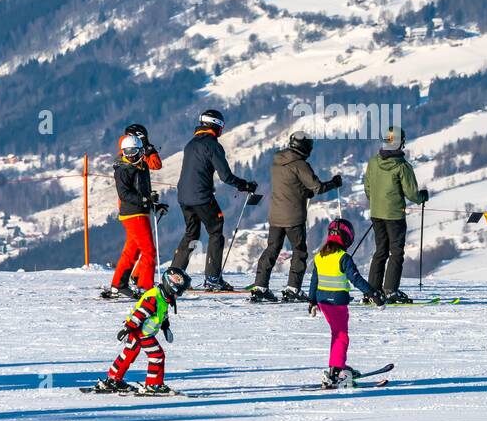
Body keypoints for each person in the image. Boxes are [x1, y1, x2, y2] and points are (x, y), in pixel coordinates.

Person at [170, 110, 257, 291]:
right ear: (216, 126)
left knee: (191, 234)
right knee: (216, 230)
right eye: (221, 127)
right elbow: (225, 176)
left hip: (184, 197)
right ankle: (212, 278)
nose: (222, 131)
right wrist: (244, 185)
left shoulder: (191, 144)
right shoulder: (212, 145)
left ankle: (174, 276)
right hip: (201, 196)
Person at [251, 131, 343, 303]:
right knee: (299, 251)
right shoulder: (300, 165)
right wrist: (334, 183)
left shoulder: (277, 162)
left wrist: (304, 191)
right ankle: (293, 289)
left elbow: (290, 185)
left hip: (275, 215)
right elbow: (318, 187)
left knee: (271, 250)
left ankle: (260, 287)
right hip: (293, 216)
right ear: (306, 147)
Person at [306, 219, 385, 387]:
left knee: (336, 334)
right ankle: (335, 373)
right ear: (347, 238)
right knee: (341, 336)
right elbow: (356, 279)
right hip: (337, 302)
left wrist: (311, 301)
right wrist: (373, 294)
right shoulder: (343, 257)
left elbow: (314, 280)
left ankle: (338, 365)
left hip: (322, 302)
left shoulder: (319, 256)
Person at [94, 267, 190, 395]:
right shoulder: (153, 297)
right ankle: (153, 384)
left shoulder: (163, 297)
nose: (179, 296)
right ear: (171, 286)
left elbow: (162, 313)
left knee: (129, 353)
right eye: (180, 292)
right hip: (141, 331)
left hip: (139, 330)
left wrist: (165, 326)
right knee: (157, 355)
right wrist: (127, 328)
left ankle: (113, 379)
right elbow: (140, 314)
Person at [363, 126, 427, 303]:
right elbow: (412, 194)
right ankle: (390, 290)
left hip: (376, 213)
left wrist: (377, 203)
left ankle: (372, 291)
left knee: (380, 251)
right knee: (396, 253)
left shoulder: (373, 162)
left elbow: (368, 188)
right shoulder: (402, 166)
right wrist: (423, 197)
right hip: (394, 215)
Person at [103, 132, 168, 299]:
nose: (131, 156)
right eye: (127, 152)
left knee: (131, 251)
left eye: (134, 152)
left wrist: (153, 203)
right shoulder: (123, 169)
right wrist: (145, 200)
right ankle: (144, 287)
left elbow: (143, 191)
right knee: (149, 251)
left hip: (140, 211)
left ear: (141, 152)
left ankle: (118, 285)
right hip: (133, 214)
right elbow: (124, 194)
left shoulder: (141, 166)